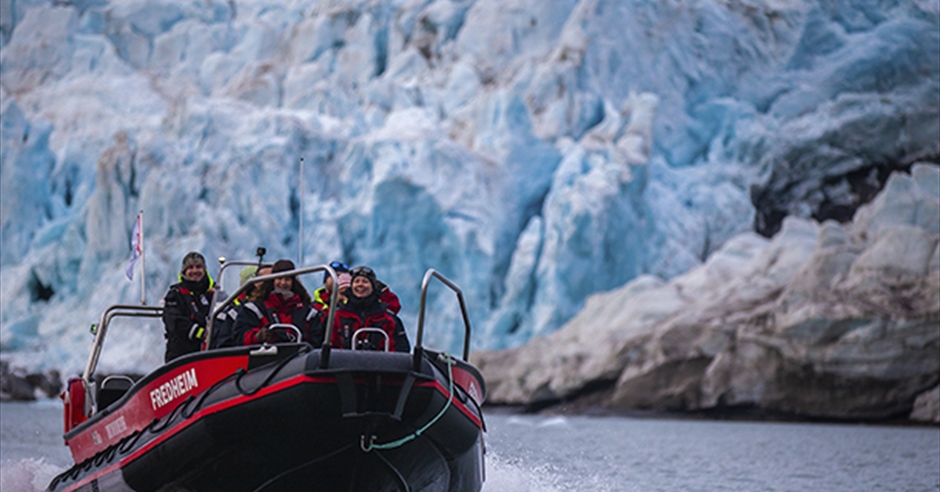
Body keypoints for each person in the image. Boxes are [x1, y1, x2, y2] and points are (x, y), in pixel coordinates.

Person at [234, 259, 322, 346]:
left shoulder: (307, 312)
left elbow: (317, 339)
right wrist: (257, 337)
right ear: (272, 281)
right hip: (265, 357)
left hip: (299, 356)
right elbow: (238, 336)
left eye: (287, 279)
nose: (283, 283)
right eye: (279, 278)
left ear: (293, 283)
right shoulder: (256, 309)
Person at [328, 266, 410, 352]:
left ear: (373, 287)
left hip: (380, 364)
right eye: (356, 281)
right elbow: (328, 348)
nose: (360, 284)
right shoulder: (337, 317)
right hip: (343, 364)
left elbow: (400, 351)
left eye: (365, 281)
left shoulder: (387, 319)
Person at [161, 252, 216, 362]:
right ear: (184, 272)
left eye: (199, 267)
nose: (195, 271)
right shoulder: (175, 294)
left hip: (210, 354)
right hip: (182, 357)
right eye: (190, 267)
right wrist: (200, 333)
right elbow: (174, 321)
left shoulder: (213, 295)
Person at [209, 265, 271, 349]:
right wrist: (256, 337)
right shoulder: (234, 312)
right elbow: (224, 343)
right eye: (265, 280)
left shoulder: (284, 305)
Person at [313, 260, 402, 314]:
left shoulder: (358, 304)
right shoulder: (317, 306)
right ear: (325, 281)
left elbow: (392, 307)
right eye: (335, 275)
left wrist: (380, 289)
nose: (338, 278)